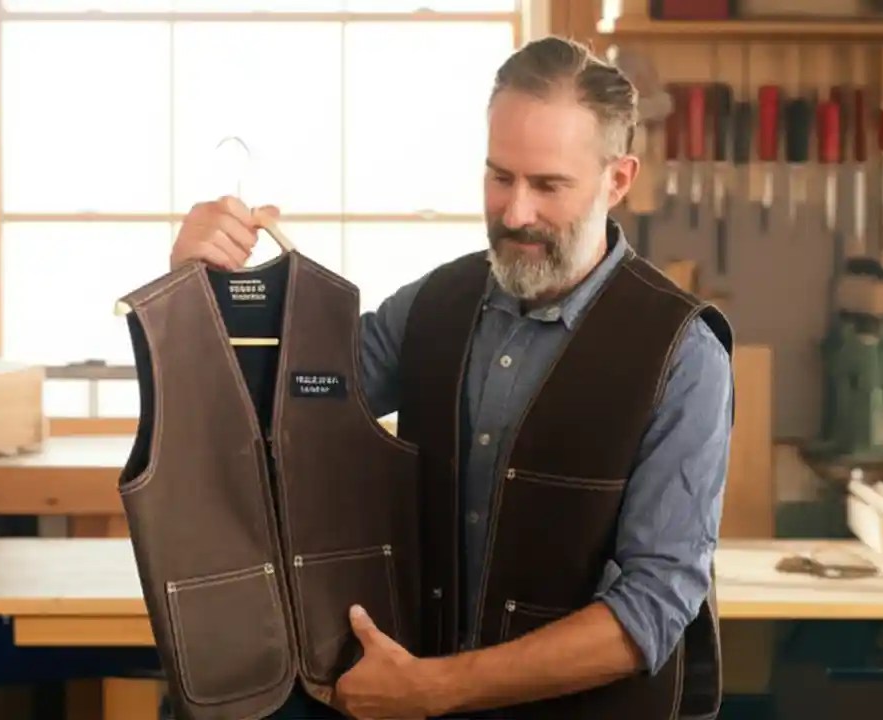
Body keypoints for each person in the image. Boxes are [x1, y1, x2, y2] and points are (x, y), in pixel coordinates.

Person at [168, 35, 733, 719]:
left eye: (549, 185)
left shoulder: (685, 354)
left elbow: (654, 606)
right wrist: (197, 288)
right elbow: (271, 416)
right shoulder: (434, 306)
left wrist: (435, 689)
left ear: (618, 180)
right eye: (500, 177)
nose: (516, 212)